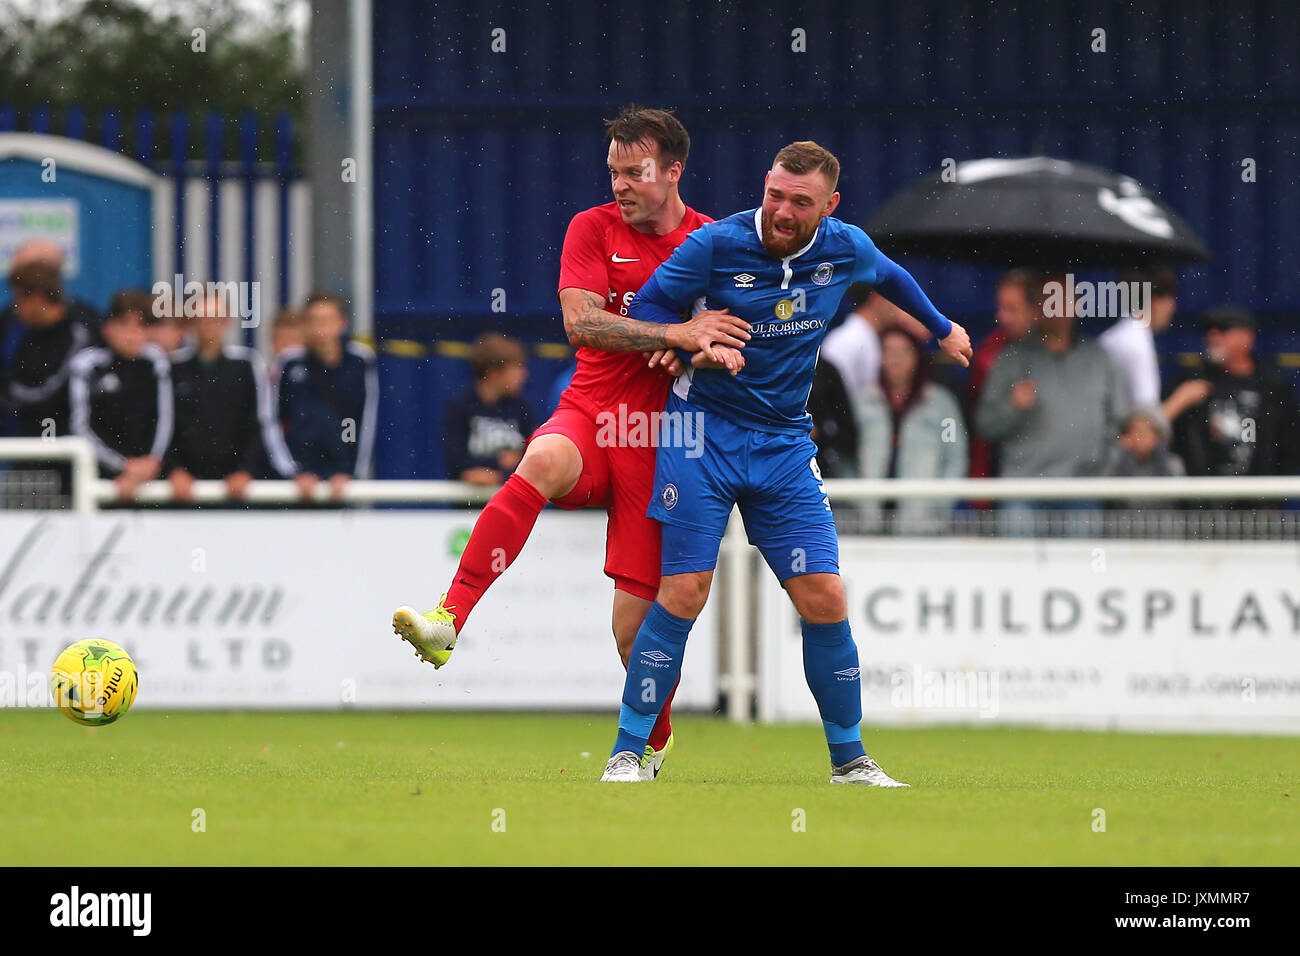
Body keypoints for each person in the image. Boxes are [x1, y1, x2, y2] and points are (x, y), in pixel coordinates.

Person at [390, 105, 748, 781]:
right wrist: (674, 335)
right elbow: (582, 324)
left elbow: (729, 337)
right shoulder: (591, 228)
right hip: (592, 411)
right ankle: (449, 621)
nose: (619, 184)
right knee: (543, 458)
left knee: (630, 633)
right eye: (613, 170)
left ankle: (655, 738)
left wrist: (700, 349)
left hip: (660, 441)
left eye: (634, 172)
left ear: (673, 171)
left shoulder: (714, 241)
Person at [600, 141, 971, 785]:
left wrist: (940, 328)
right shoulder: (715, 245)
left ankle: (850, 761)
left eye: (800, 202)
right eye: (774, 194)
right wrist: (688, 341)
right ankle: (628, 752)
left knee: (825, 597)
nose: (782, 210)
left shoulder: (845, 247)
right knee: (684, 591)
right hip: (701, 435)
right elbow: (652, 308)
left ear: (829, 206)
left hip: (783, 446)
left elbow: (889, 277)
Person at [975, 273, 1130, 529]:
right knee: (1019, 568)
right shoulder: (1010, 358)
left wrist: (1104, 473)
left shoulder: (1100, 358)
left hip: (1084, 491)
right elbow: (984, 425)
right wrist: (1011, 406)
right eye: (1048, 299)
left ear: (1076, 303)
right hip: (1022, 491)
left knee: (1080, 568)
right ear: (1037, 307)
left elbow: (1119, 423)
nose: (1056, 307)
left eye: (1063, 299)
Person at [165, 295, 297, 503]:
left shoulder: (247, 364)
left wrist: (246, 470)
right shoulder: (172, 367)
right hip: (185, 489)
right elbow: (163, 425)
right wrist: (174, 470)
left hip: (237, 488)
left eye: (215, 318)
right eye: (201, 318)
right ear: (190, 323)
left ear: (227, 321)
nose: (208, 326)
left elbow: (261, 422)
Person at [1165, 305, 1300, 481]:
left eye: (1223, 329)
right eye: (1208, 330)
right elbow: (1152, 436)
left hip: (1257, 499)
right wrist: (1179, 401)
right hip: (1202, 500)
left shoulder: (1273, 386)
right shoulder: (1189, 382)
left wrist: (1269, 500)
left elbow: (1290, 446)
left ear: (1247, 336)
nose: (1213, 337)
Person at [855, 327, 967, 533]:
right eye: (888, 351)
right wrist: (857, 502)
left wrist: (939, 508)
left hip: (923, 523)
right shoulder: (862, 403)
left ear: (917, 356)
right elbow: (847, 457)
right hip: (870, 523)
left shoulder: (941, 404)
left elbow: (955, 457)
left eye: (904, 351)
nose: (896, 358)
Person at [68, 291, 173, 500]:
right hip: (101, 484)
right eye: (124, 324)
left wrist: (150, 463)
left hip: (150, 479)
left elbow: (165, 419)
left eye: (141, 325)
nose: (133, 334)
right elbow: (80, 426)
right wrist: (123, 466)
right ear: (107, 328)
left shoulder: (156, 363)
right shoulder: (88, 365)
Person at [275, 292, 378, 502]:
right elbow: (273, 423)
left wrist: (349, 472)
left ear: (342, 323)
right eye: (313, 321)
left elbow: (363, 422)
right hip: (298, 486)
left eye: (327, 320)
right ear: (304, 325)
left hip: (343, 484)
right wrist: (294, 472)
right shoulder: (288, 364)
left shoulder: (359, 362)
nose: (320, 328)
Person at [2, 261, 91, 439]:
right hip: (27, 436)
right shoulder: (22, 330)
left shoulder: (81, 329)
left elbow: (50, 390)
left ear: (38, 297)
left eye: (18, 298)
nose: (15, 306)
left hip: (70, 440)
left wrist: (8, 396)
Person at [968, 268, 1038, 483]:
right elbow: (980, 427)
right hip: (1006, 478)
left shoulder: (1072, 351)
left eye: (1012, 309)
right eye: (1001, 307)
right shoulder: (990, 352)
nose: (1002, 317)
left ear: (1036, 310)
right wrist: (1011, 406)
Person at [443, 332, 534, 486]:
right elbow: (456, 462)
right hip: (468, 508)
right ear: (492, 373)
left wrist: (500, 476)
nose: (524, 375)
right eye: (516, 368)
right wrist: (500, 462)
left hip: (512, 505)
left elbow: (533, 459)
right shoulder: (460, 406)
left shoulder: (521, 408)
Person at [1099, 267, 1178, 408]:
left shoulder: (1112, 336)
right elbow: (1147, 417)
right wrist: (1184, 397)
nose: (1172, 308)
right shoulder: (1138, 343)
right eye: (1168, 298)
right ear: (1153, 301)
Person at [1100, 406, 1185, 511]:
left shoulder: (1172, 463)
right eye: (1134, 432)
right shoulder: (1116, 461)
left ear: (1157, 436)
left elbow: (1176, 495)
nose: (1139, 438)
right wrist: (1122, 453)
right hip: (1126, 524)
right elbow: (1105, 489)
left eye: (1144, 432)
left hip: (1162, 523)